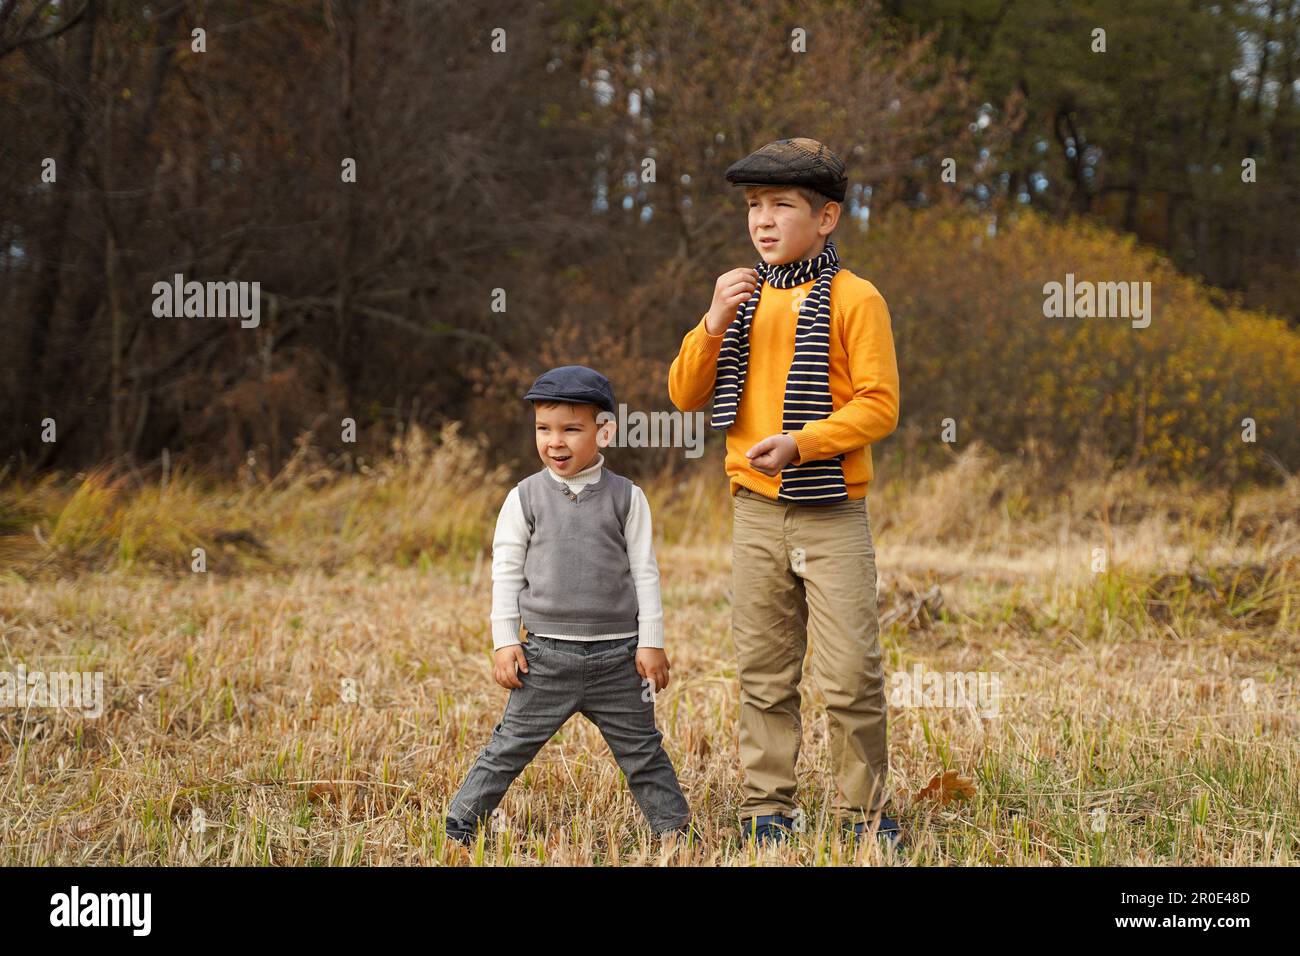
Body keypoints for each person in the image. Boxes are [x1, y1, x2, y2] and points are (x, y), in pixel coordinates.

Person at [668, 137, 904, 849]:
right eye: (753, 207)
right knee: (763, 672)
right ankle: (767, 809)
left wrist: (803, 443)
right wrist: (711, 321)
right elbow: (683, 394)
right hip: (755, 512)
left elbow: (879, 405)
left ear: (826, 218)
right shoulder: (738, 300)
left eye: (781, 206)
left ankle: (865, 816)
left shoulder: (857, 299)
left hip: (832, 512)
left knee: (851, 675)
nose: (763, 221)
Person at [445, 365, 693, 846]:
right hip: (545, 658)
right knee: (508, 747)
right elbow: (506, 570)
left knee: (643, 752)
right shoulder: (524, 497)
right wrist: (503, 641)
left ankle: (675, 833)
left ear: (605, 431)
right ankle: (460, 825)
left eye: (571, 429)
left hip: (618, 659)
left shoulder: (627, 498)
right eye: (544, 428)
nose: (555, 442)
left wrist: (652, 642)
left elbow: (645, 572)